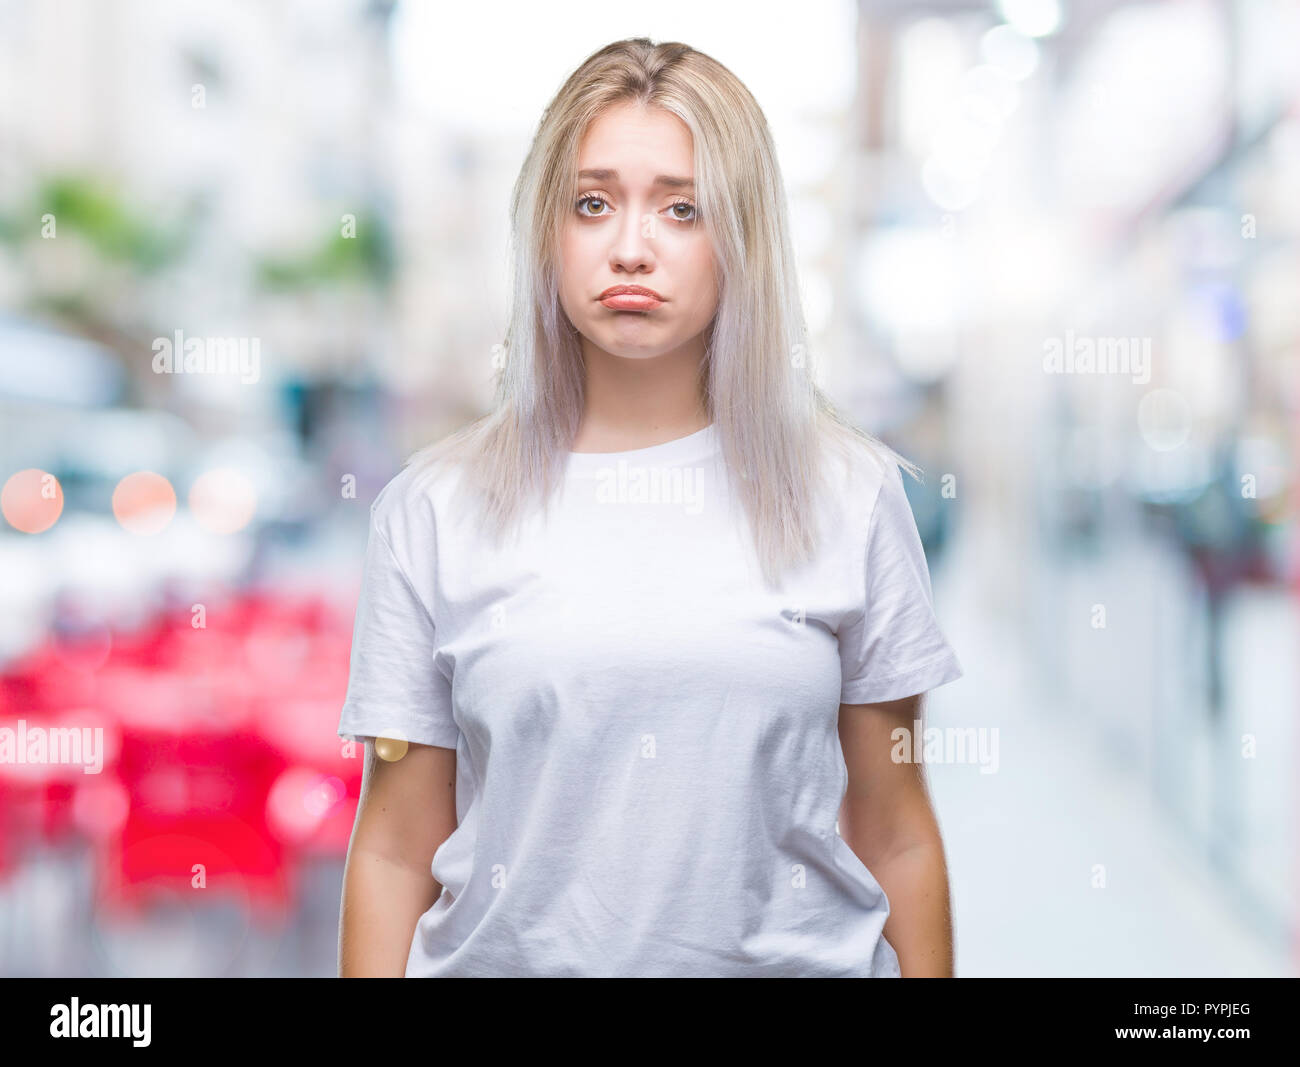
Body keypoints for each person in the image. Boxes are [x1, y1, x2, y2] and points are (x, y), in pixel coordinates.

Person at [337, 37, 963, 978]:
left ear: (742, 235)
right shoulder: (432, 510)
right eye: (592, 203)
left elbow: (897, 828)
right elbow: (391, 846)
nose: (632, 246)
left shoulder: (850, 494)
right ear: (547, 230)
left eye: (683, 208)